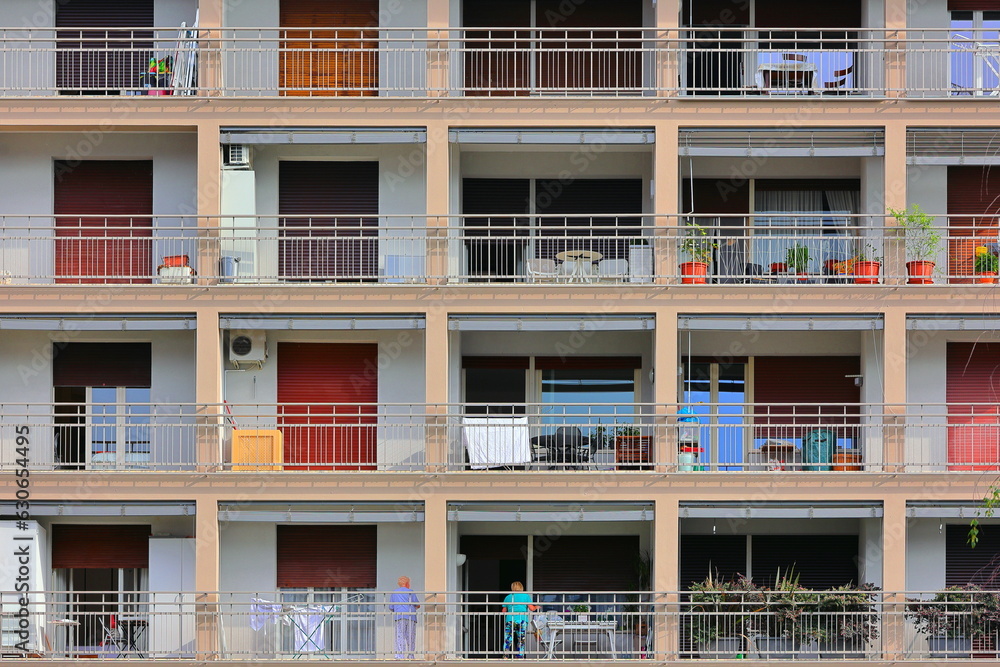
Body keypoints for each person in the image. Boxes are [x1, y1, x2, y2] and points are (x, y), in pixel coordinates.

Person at [501, 581, 537, 659]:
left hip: (510, 619)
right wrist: (536, 607)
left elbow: (504, 611)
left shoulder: (508, 597)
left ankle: (505, 656)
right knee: (521, 639)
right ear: (521, 587)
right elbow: (532, 608)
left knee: (508, 638)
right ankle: (519, 656)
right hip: (522, 620)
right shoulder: (525, 596)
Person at [389, 575, 420, 659]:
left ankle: (399, 655)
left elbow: (391, 607)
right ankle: (410, 655)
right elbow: (417, 605)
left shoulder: (395, 592)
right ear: (407, 583)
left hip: (399, 616)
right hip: (411, 616)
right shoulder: (410, 592)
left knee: (400, 635)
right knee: (411, 636)